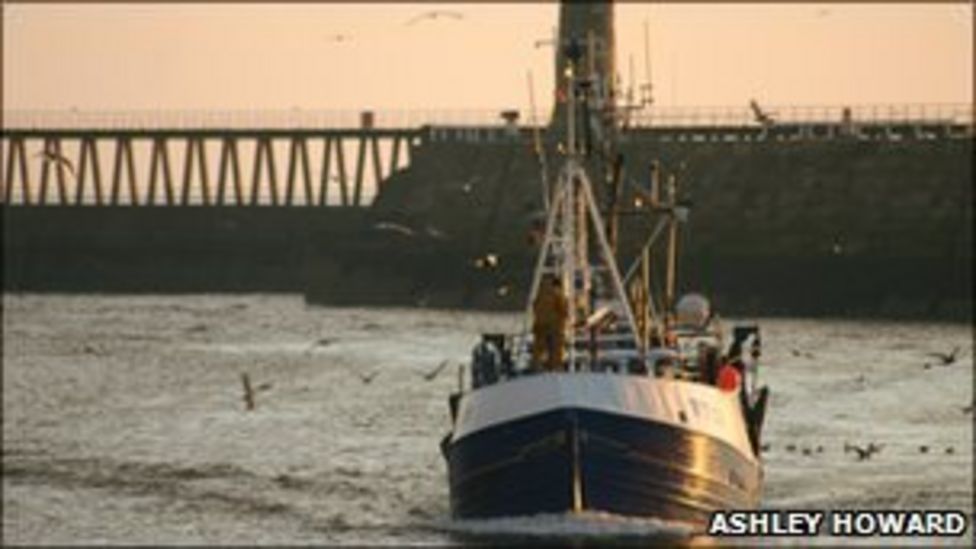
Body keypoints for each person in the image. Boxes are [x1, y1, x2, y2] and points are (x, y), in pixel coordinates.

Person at [532, 274, 569, 371]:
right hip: (554, 326)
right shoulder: (557, 294)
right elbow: (563, 311)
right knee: (555, 350)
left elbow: (535, 306)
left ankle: (537, 365)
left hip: (540, 325)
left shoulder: (541, 293)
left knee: (539, 348)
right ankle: (555, 367)